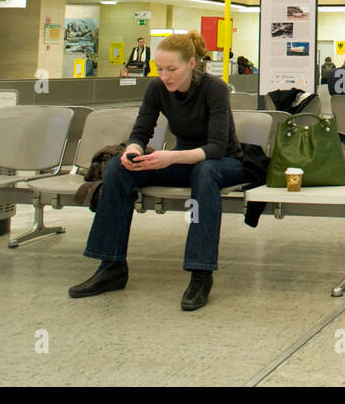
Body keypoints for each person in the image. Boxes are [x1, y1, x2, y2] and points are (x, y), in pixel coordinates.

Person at [69, 31, 245, 312]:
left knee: (205, 171)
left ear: (191, 64)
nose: (165, 76)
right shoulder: (157, 89)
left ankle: (201, 273)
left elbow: (215, 147)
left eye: (172, 69)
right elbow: (141, 131)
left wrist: (169, 157)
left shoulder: (215, 88)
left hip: (224, 162)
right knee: (118, 168)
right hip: (183, 160)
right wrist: (134, 151)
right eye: (160, 69)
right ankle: (111, 265)